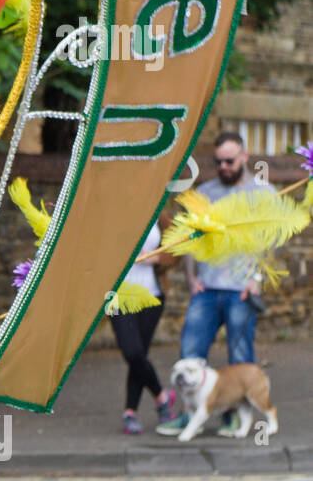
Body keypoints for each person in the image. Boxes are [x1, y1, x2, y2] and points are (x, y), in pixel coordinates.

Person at [158, 131, 273, 436]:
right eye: (218, 161)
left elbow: (271, 241)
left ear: (245, 157)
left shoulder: (263, 193)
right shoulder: (205, 192)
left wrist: (256, 278)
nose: (223, 166)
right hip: (206, 288)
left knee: (240, 358)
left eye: (230, 160)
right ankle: (188, 414)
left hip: (242, 289)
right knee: (190, 351)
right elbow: (191, 239)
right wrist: (191, 276)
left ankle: (234, 416)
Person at [110, 223, 175, 434]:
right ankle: (162, 397)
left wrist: (153, 258)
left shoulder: (160, 214)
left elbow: (176, 251)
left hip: (151, 296)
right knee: (133, 352)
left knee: (140, 355)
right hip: (118, 296)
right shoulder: (110, 214)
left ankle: (130, 413)